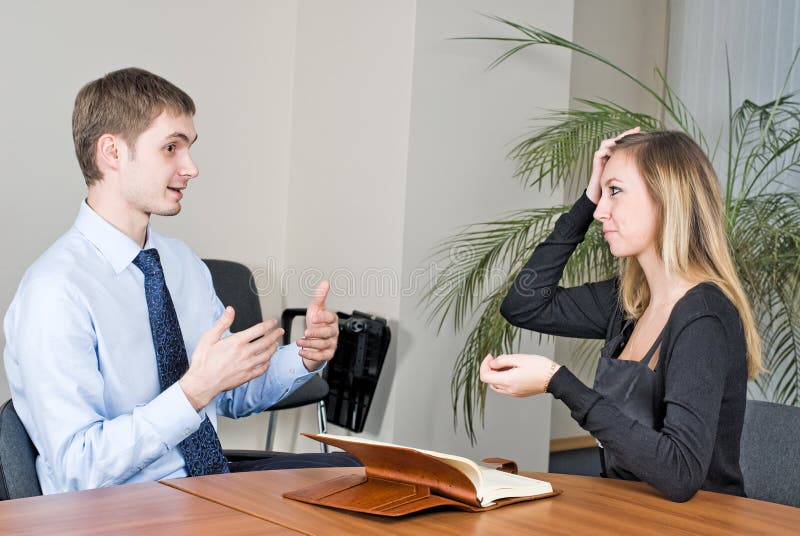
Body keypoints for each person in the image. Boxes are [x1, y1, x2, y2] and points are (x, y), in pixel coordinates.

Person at [3, 67, 358, 495]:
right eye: (171, 147)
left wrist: (303, 357)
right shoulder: (54, 292)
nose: (191, 168)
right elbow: (81, 467)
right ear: (112, 152)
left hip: (205, 482)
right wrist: (192, 392)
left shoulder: (180, 262)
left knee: (362, 475)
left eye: (188, 148)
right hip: (118, 509)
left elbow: (227, 394)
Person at [480, 128, 763, 502]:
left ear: (667, 199)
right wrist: (587, 195)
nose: (600, 211)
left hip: (697, 523)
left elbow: (680, 474)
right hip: (628, 508)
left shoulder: (703, 317)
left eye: (615, 192)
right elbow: (524, 303)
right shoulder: (630, 302)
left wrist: (557, 381)